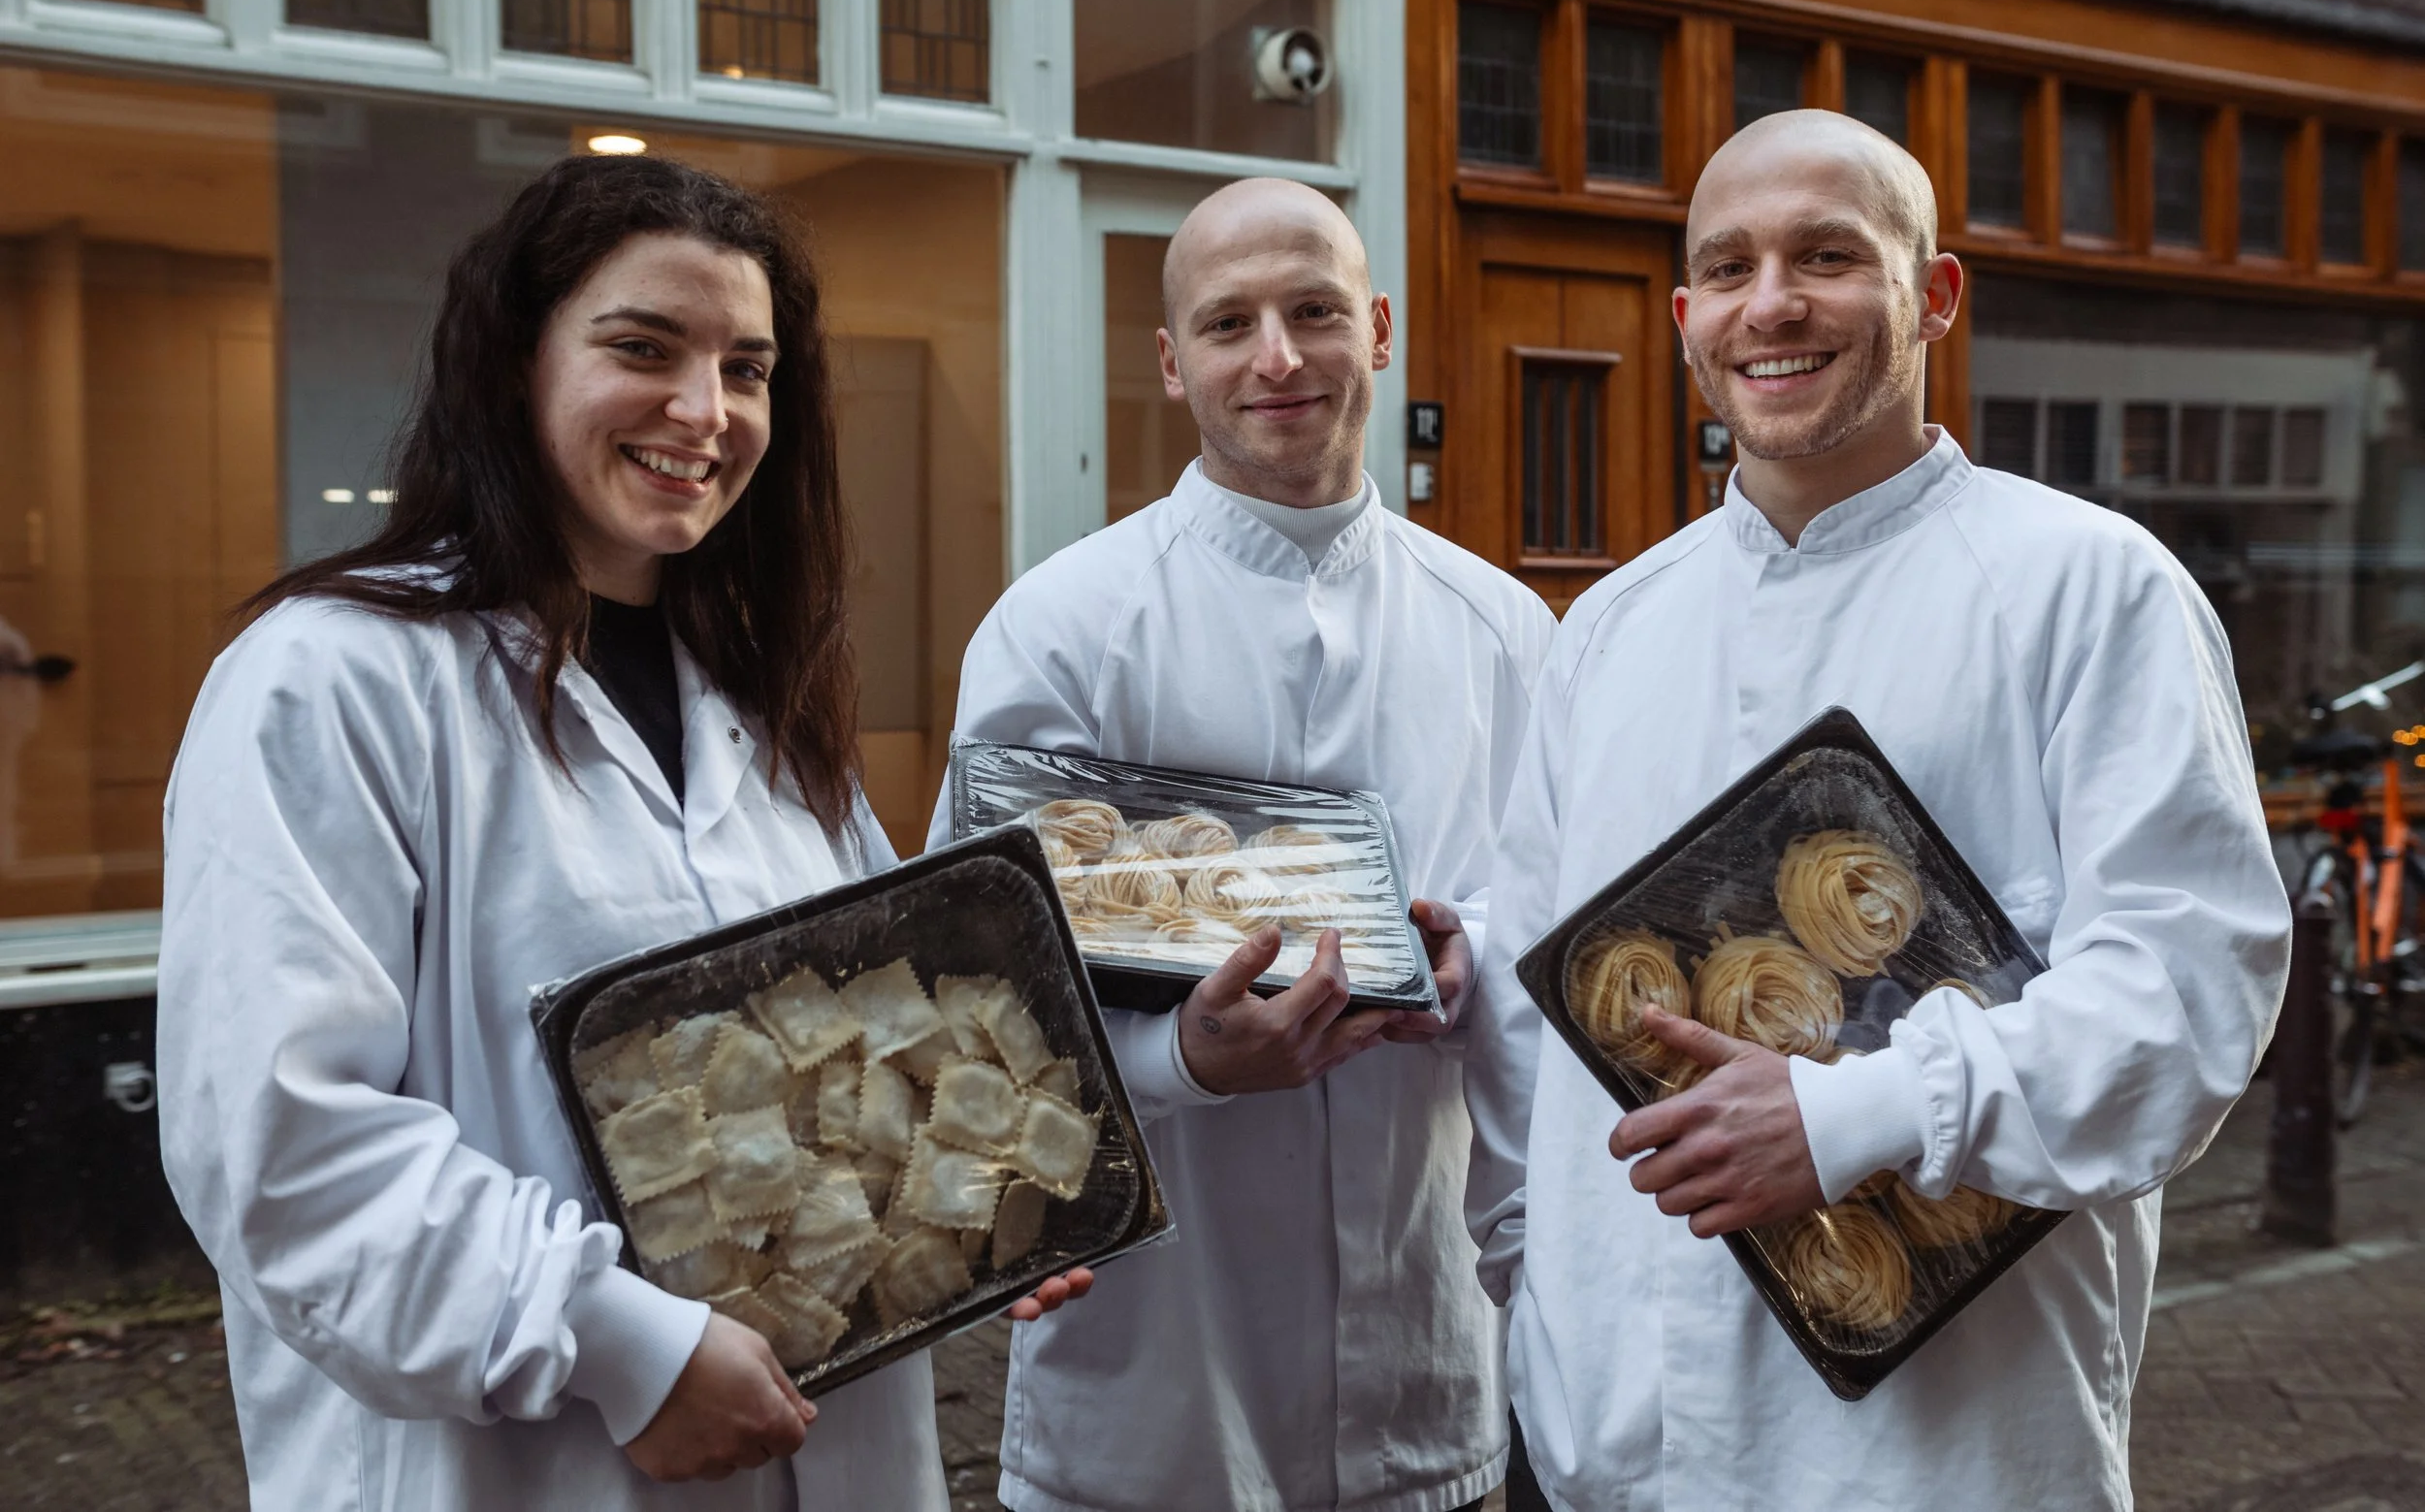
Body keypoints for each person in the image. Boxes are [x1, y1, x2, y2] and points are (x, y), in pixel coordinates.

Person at [155, 153, 1085, 1512]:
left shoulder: (768, 707)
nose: (704, 411)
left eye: (749, 368)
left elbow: (890, 1048)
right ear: (513, 362)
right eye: (644, 348)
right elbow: (284, 1149)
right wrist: (622, 1346)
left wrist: (980, 1204)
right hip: (515, 1463)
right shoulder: (333, 679)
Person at [1466, 110, 2292, 1510]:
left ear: (1938, 295)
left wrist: (1862, 1109)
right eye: (1728, 269)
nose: (1771, 303)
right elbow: (1529, 1009)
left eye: (1827, 256)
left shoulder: (2091, 590)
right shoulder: (1608, 629)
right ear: (1683, 318)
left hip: (1941, 1457)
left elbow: (2186, 991)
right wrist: (1538, 1295)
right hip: (1613, 1446)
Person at [932, 177, 1557, 1512]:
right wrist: (1182, 1061)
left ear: (1379, 330)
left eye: (1314, 310)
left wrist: (1475, 955)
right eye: (1228, 324)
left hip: (1428, 1381)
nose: (1276, 356)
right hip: (1153, 1403)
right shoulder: (1062, 628)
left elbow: (1563, 927)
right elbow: (970, 997)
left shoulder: (1510, 633)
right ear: (1172, 362)